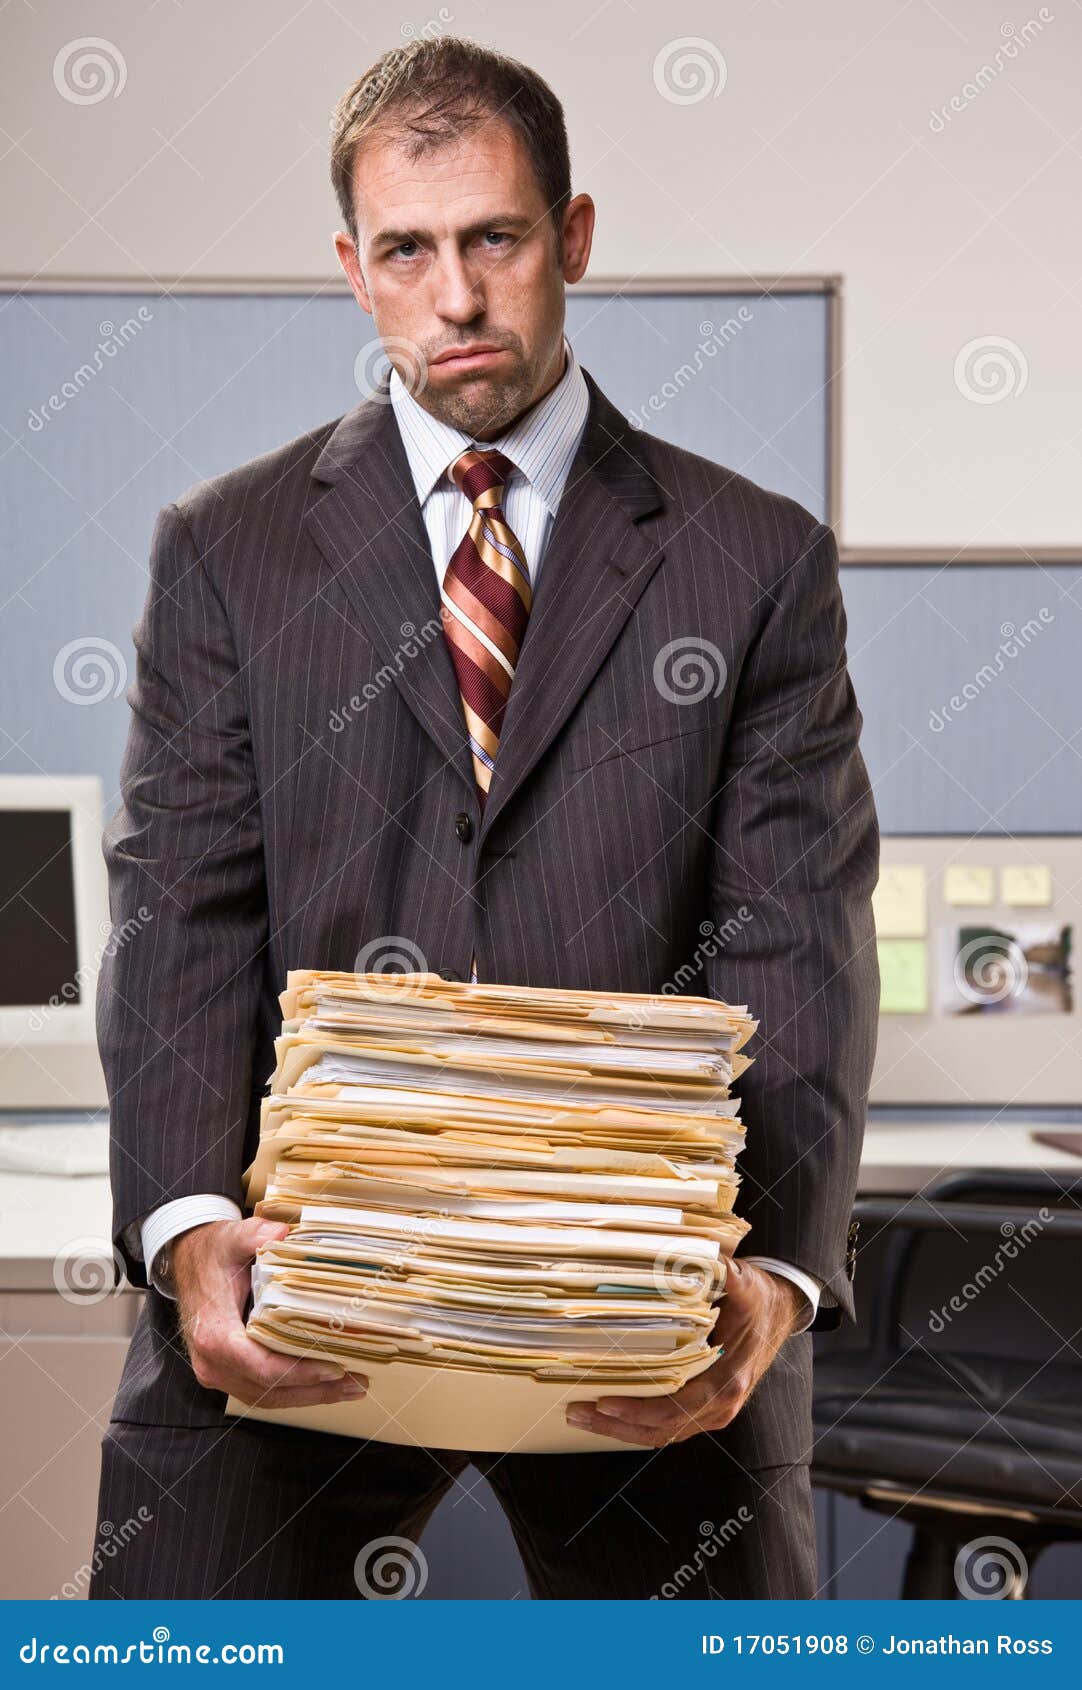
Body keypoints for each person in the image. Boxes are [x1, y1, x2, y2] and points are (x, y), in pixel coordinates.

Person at [91, 34, 879, 1600]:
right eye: (408, 250)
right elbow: (184, 910)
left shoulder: (753, 558)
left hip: (643, 1299)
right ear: (354, 269)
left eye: (494, 239)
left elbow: (795, 930)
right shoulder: (227, 552)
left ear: (570, 236)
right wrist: (189, 1230)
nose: (455, 297)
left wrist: (773, 1274)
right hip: (303, 1266)